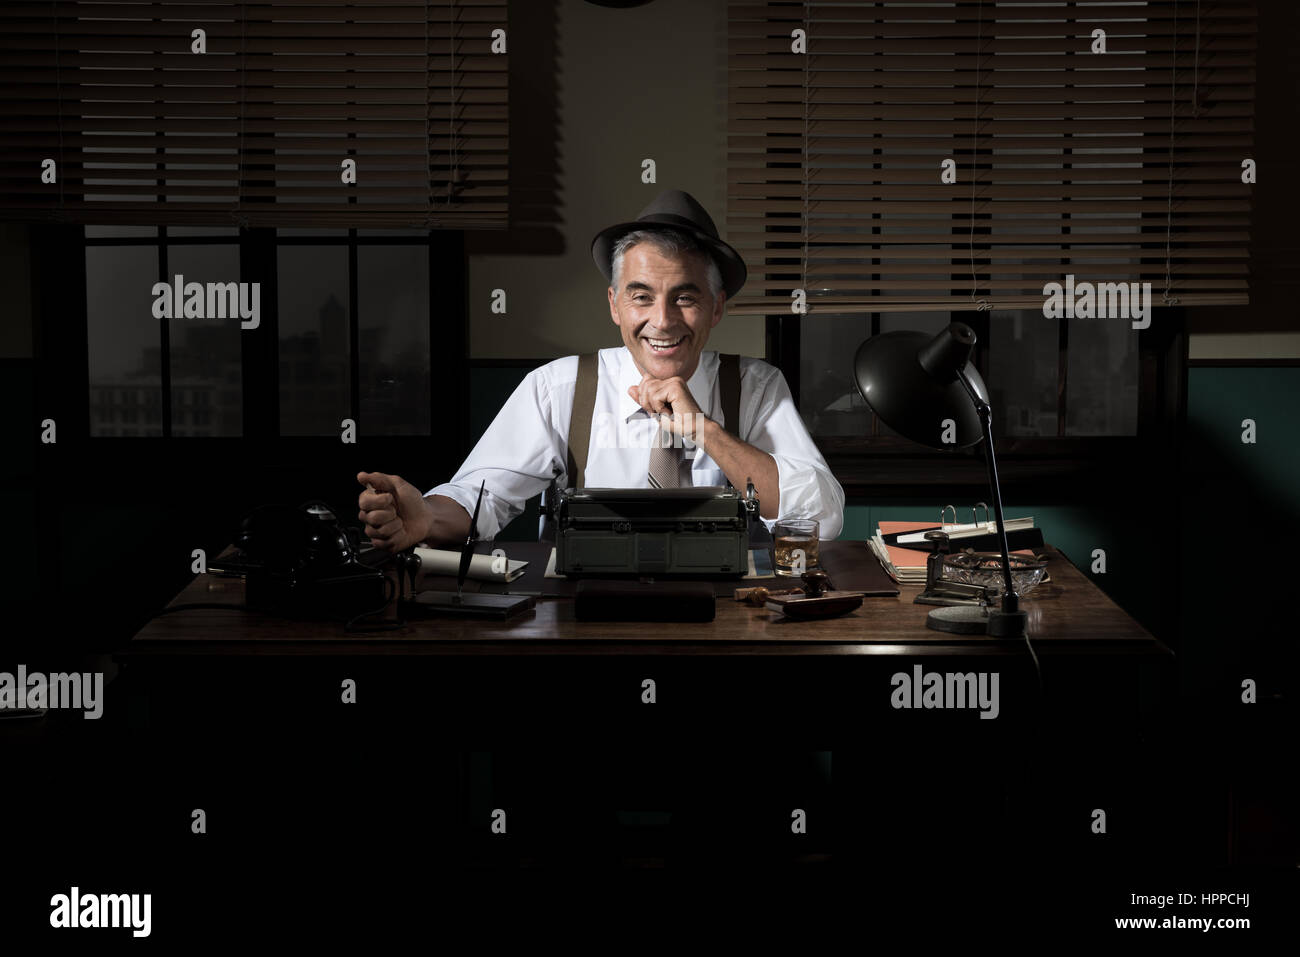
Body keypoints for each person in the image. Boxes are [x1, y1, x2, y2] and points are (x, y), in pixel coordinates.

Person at [358, 188, 844, 550]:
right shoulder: (558, 387)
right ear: (614, 305)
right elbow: (481, 496)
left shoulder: (757, 387)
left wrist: (706, 430)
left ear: (716, 308)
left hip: (731, 617)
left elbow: (821, 516)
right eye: (641, 297)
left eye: (686, 298)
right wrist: (423, 515)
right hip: (582, 620)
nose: (663, 320)